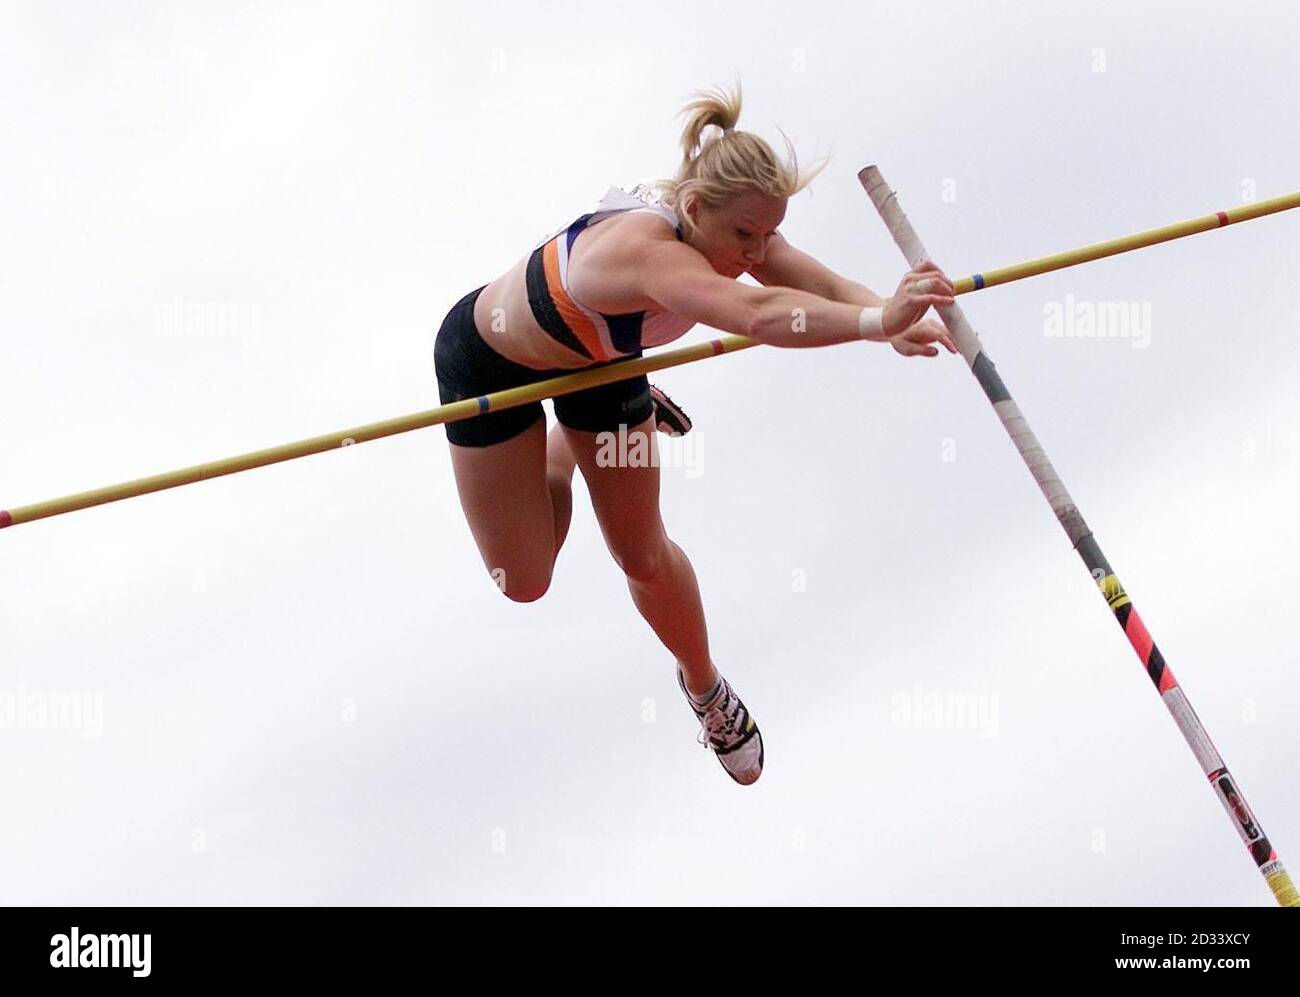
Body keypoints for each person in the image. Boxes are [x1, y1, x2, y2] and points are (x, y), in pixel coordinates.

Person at [433, 82, 956, 785]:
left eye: (767, 233)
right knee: (524, 580)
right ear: (693, 208)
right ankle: (558, 451)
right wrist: (875, 324)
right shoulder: (649, 253)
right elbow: (763, 314)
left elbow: (802, 277)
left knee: (641, 554)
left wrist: (884, 314)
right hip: (489, 365)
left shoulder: (729, 228)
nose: (757, 249)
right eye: (746, 235)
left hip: (601, 367)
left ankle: (707, 689)